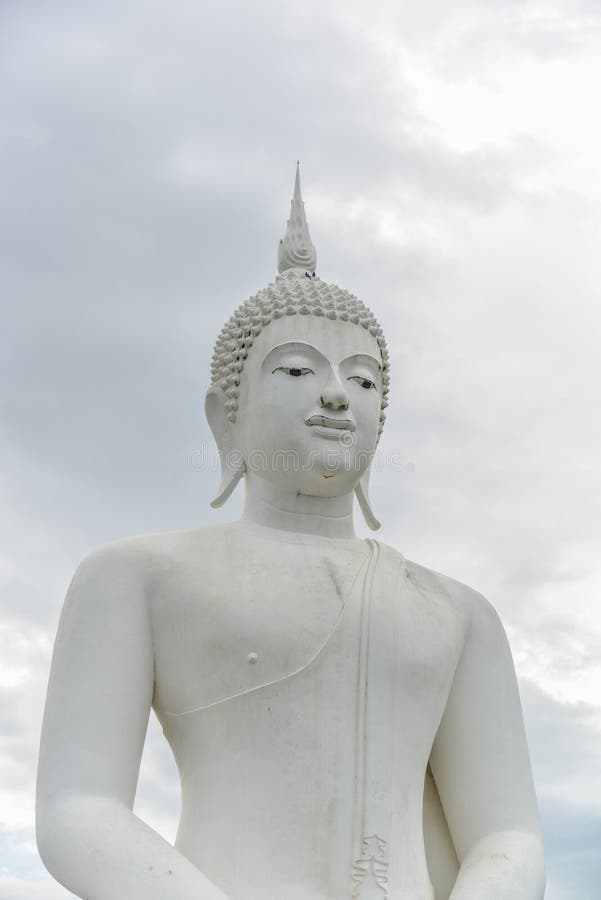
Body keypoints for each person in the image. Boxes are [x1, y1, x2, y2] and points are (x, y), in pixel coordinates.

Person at [36, 166, 545, 900]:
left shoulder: (456, 613)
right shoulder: (138, 576)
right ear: (225, 414)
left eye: (365, 381)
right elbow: (76, 812)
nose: (338, 393)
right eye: (299, 370)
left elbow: (506, 835)